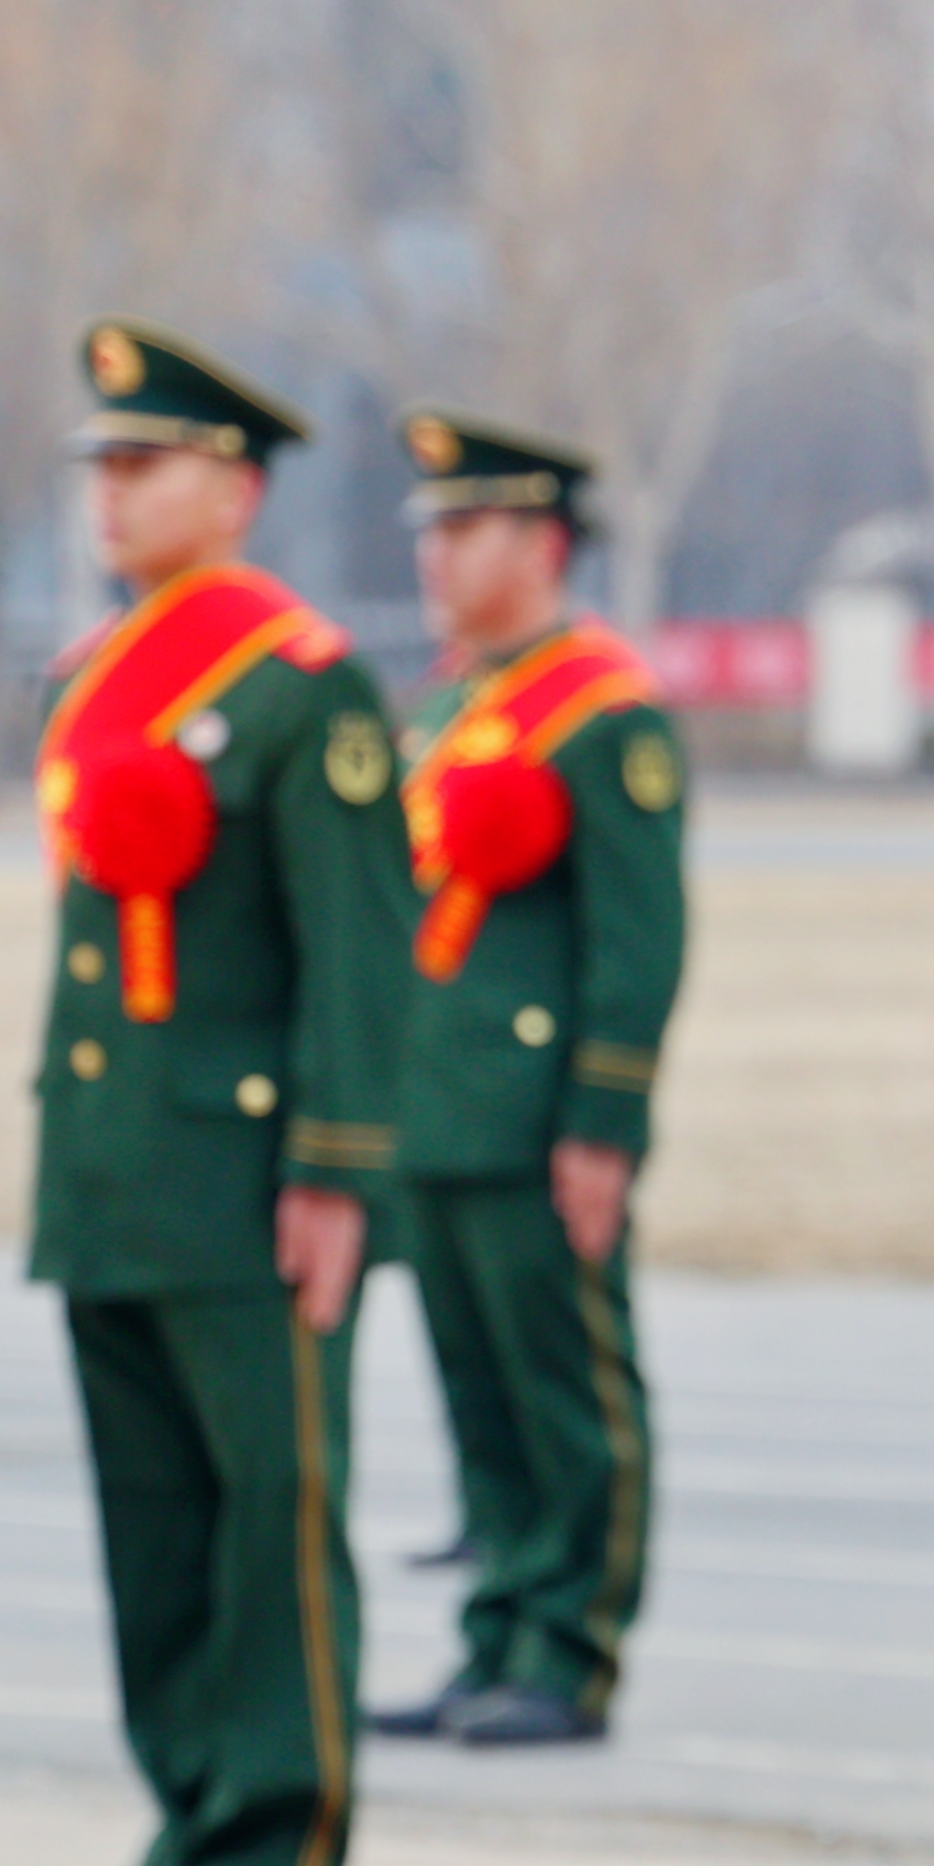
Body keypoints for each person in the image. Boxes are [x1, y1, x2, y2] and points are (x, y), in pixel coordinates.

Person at [20, 320, 408, 1866]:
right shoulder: (93, 676)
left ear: (234, 488)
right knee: (155, 1529)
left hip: (252, 1175)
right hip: (122, 1170)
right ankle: (180, 1837)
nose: (112, 491)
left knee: (271, 1520)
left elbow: (358, 948)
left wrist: (332, 1164)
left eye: (145, 461)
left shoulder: (300, 685)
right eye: (100, 462)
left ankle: (271, 1857)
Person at [363, 413, 688, 1749]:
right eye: (429, 533)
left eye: (463, 529)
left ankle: (571, 1646)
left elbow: (639, 937)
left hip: (538, 1112)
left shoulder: (606, 716)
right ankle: (494, 1631)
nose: (436, 557)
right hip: (436, 1109)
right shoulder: (449, 705)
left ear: (542, 543)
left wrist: (604, 1121)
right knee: (475, 1394)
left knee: (567, 1388)